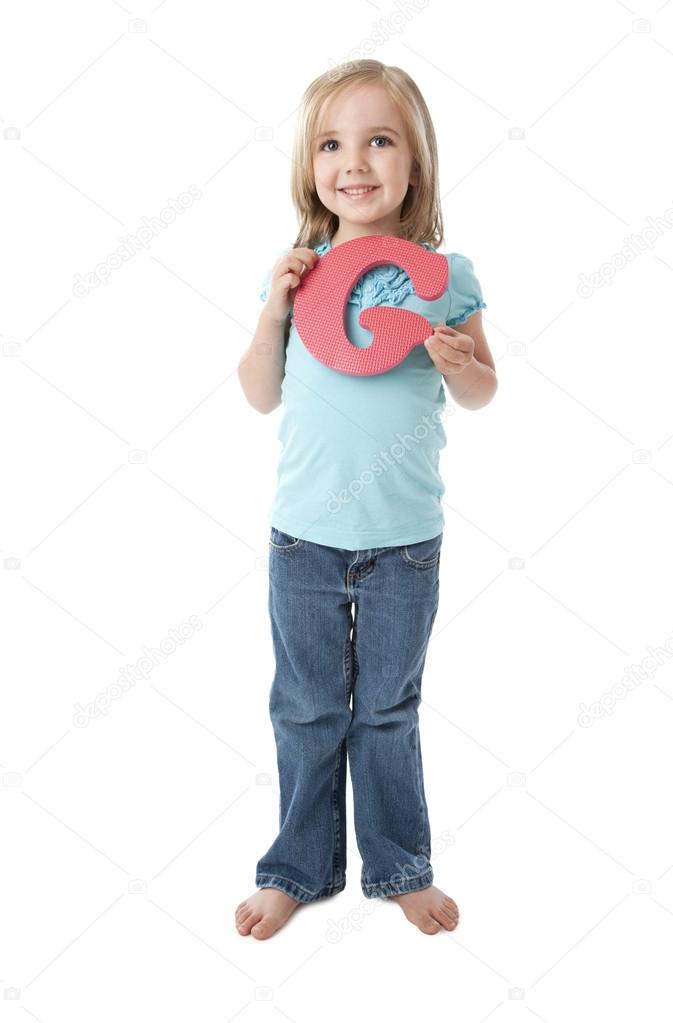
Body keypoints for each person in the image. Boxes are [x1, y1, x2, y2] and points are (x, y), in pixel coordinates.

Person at [236, 59, 497, 940]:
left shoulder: (441, 274)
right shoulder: (301, 272)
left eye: (379, 139)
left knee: (388, 707)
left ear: (414, 162)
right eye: (332, 143)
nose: (355, 161)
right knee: (306, 706)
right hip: (303, 537)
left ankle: (399, 865)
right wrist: (271, 312)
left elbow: (483, 391)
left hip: (403, 539)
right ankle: (297, 867)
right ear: (310, 165)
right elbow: (258, 393)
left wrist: (463, 363)